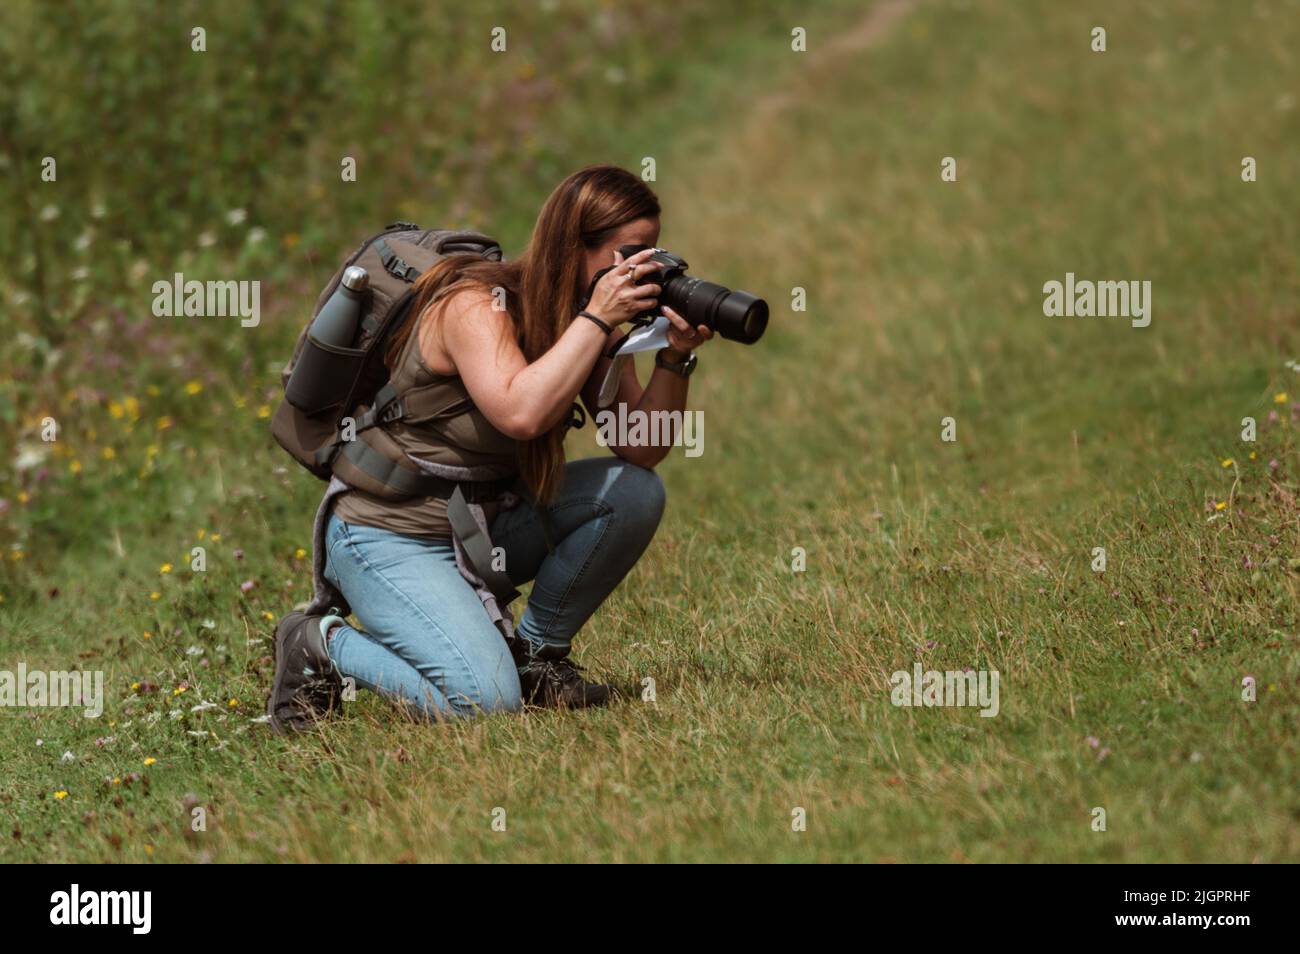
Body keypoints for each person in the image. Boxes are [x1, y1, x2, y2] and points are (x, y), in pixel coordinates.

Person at [268, 165, 713, 727]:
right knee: (483, 702)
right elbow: (521, 413)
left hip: (483, 526)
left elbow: (640, 447)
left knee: (632, 492)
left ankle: (537, 659)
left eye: (654, 251)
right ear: (574, 248)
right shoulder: (475, 305)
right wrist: (599, 319)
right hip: (386, 534)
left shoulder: (582, 323)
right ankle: (320, 643)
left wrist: (674, 356)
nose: (646, 269)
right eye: (632, 253)